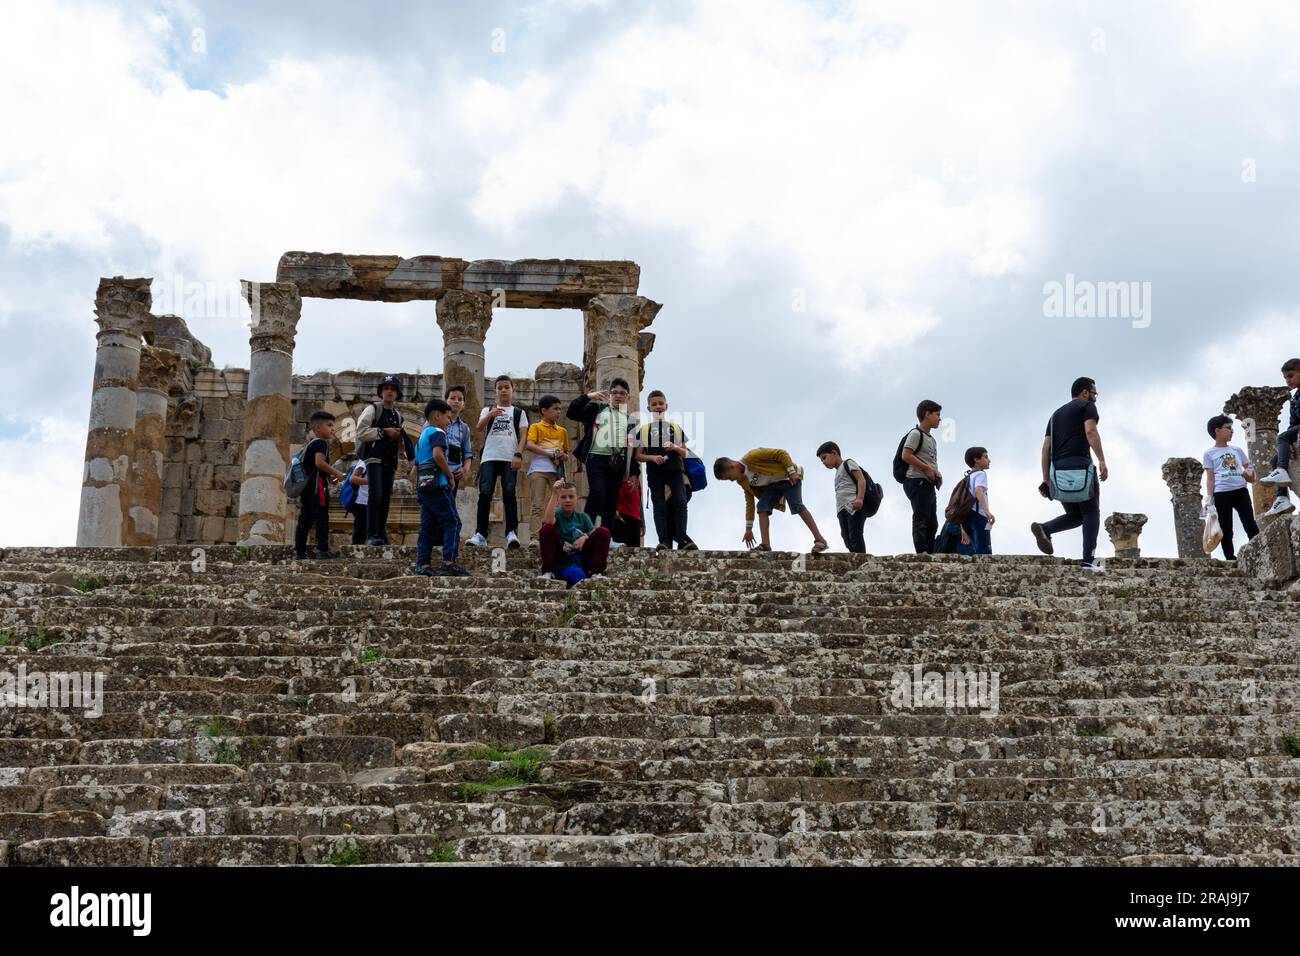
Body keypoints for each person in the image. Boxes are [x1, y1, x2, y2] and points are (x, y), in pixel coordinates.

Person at [1031, 377, 1108, 572]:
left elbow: (1046, 447)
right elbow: (1090, 431)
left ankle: (1045, 528)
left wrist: (1046, 479)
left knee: (1075, 514)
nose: (1095, 397)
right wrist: (1101, 460)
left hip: (1059, 471)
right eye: (1094, 393)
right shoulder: (1087, 407)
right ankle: (1088, 561)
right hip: (1081, 466)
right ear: (1085, 392)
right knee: (1091, 512)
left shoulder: (1055, 415)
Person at [713, 448, 830, 553]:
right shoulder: (741, 481)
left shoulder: (752, 456)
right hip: (775, 485)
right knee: (762, 507)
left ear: (732, 466)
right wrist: (748, 529)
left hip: (789, 476)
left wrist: (792, 472)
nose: (731, 480)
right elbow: (749, 503)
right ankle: (766, 545)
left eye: (729, 477)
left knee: (796, 505)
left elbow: (781, 453)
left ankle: (820, 540)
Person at [567, 378, 636, 544]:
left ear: (628, 398)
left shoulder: (631, 421)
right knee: (597, 493)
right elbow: (572, 412)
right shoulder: (597, 409)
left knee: (611, 501)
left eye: (622, 393)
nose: (618, 396)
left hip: (617, 462)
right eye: (615, 392)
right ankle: (584, 532)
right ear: (610, 395)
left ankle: (606, 537)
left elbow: (632, 450)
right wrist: (588, 396)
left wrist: (634, 472)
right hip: (596, 457)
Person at [411, 399, 468, 577]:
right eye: (447, 417)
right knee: (452, 521)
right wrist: (450, 475)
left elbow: (415, 468)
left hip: (424, 486)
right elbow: (438, 455)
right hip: (438, 484)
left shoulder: (421, 437)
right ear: (437, 415)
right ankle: (449, 562)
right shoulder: (438, 432)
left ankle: (423, 563)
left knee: (427, 526)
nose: (449, 422)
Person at [470, 375, 528, 548]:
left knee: (509, 494)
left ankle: (511, 533)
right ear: (495, 391)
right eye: (500, 387)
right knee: (485, 494)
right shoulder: (488, 409)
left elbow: (524, 435)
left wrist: (518, 454)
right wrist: (490, 415)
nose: (503, 390)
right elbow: (479, 427)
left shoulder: (519, 412)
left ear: (512, 390)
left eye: (506, 387)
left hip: (509, 456)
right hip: (489, 456)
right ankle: (480, 534)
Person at [355, 375, 413, 546]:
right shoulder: (373, 409)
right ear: (381, 392)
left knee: (386, 497)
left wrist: (400, 438)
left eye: (393, 389)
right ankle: (372, 534)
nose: (389, 391)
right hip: (374, 457)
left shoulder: (398, 416)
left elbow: (399, 444)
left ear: (397, 393)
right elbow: (361, 432)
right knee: (375, 494)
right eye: (386, 388)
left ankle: (380, 533)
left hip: (390, 459)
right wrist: (383, 432)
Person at [636, 390, 695, 550]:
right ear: (649, 408)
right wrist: (653, 458)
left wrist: (675, 447)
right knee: (659, 506)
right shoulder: (645, 430)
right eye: (654, 404)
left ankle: (682, 540)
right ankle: (664, 541)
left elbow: (685, 452)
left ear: (666, 406)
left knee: (681, 503)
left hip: (675, 471)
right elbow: (638, 455)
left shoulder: (675, 428)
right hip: (655, 473)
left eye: (660, 403)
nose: (658, 407)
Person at [1204, 415, 1259, 560]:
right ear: (1217, 431)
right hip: (1221, 493)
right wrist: (1209, 499)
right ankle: (1230, 558)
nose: (1232, 431)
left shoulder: (1237, 450)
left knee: (1249, 522)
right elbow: (1210, 478)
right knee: (1226, 529)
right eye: (1228, 428)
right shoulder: (1209, 453)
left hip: (1240, 490)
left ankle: (1259, 550)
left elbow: (1250, 468)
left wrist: (1250, 475)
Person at [294, 410, 346, 560]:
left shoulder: (310, 444)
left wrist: (328, 476)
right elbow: (319, 463)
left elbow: (315, 467)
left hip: (307, 487)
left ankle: (299, 552)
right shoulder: (321, 443)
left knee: (305, 518)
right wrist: (337, 473)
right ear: (318, 428)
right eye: (329, 425)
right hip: (317, 486)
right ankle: (322, 550)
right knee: (321, 516)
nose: (332, 429)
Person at [538, 480, 612, 583]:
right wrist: (554, 493)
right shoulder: (557, 515)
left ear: (577, 499)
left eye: (571, 497)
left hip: (581, 554)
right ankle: (548, 571)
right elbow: (548, 522)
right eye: (563, 497)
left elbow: (595, 536)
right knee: (546, 529)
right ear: (558, 501)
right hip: (561, 554)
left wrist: (584, 537)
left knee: (603, 532)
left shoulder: (583, 517)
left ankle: (596, 572)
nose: (567, 500)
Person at [525, 394, 570, 546]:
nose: (559, 412)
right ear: (544, 411)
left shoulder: (562, 431)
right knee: (537, 504)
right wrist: (550, 453)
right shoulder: (535, 427)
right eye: (555, 409)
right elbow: (529, 445)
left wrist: (562, 455)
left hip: (557, 471)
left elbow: (566, 454)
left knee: (559, 504)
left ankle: (557, 537)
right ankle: (535, 537)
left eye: (560, 409)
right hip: (538, 469)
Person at [1257, 358, 1300, 517]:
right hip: (1298, 431)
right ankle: (1282, 498)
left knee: (1282, 437)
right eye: (1285, 378)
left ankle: (1282, 470)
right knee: (1273, 460)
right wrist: (1292, 443)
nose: (1288, 380)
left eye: (1291, 376)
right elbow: (1293, 423)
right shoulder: (1295, 399)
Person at [900, 400, 943, 554]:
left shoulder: (931, 439)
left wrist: (936, 472)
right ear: (927, 414)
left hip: (928, 483)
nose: (940, 418)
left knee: (933, 522)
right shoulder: (915, 434)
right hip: (916, 480)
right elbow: (906, 455)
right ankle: (922, 553)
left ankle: (930, 551)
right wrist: (926, 468)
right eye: (937, 415)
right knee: (922, 518)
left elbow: (929, 460)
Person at [816, 441, 868, 554]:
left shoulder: (848, 463)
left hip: (853, 505)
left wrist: (860, 498)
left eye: (824, 458)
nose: (823, 462)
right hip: (841, 510)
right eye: (821, 460)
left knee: (855, 534)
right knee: (846, 537)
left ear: (834, 453)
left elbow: (861, 479)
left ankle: (862, 560)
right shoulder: (837, 473)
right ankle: (854, 558)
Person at [442, 384, 474, 542]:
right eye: (452, 398)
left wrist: (465, 469)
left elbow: (468, 453)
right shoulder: (435, 420)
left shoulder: (464, 428)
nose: (456, 401)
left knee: (449, 508)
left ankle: (445, 543)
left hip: (454, 474)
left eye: (459, 399)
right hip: (438, 471)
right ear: (446, 400)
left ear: (464, 404)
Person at [956, 446, 994, 555]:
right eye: (985, 457)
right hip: (978, 515)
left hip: (966, 517)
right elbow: (978, 490)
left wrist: (962, 526)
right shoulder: (981, 474)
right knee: (984, 551)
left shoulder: (968, 476)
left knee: (976, 549)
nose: (989, 460)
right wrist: (987, 511)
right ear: (976, 460)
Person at [343, 454, 369, 545]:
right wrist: (371, 481)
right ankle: (356, 549)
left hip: (369, 500)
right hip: (361, 500)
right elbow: (352, 478)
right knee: (360, 529)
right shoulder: (364, 462)